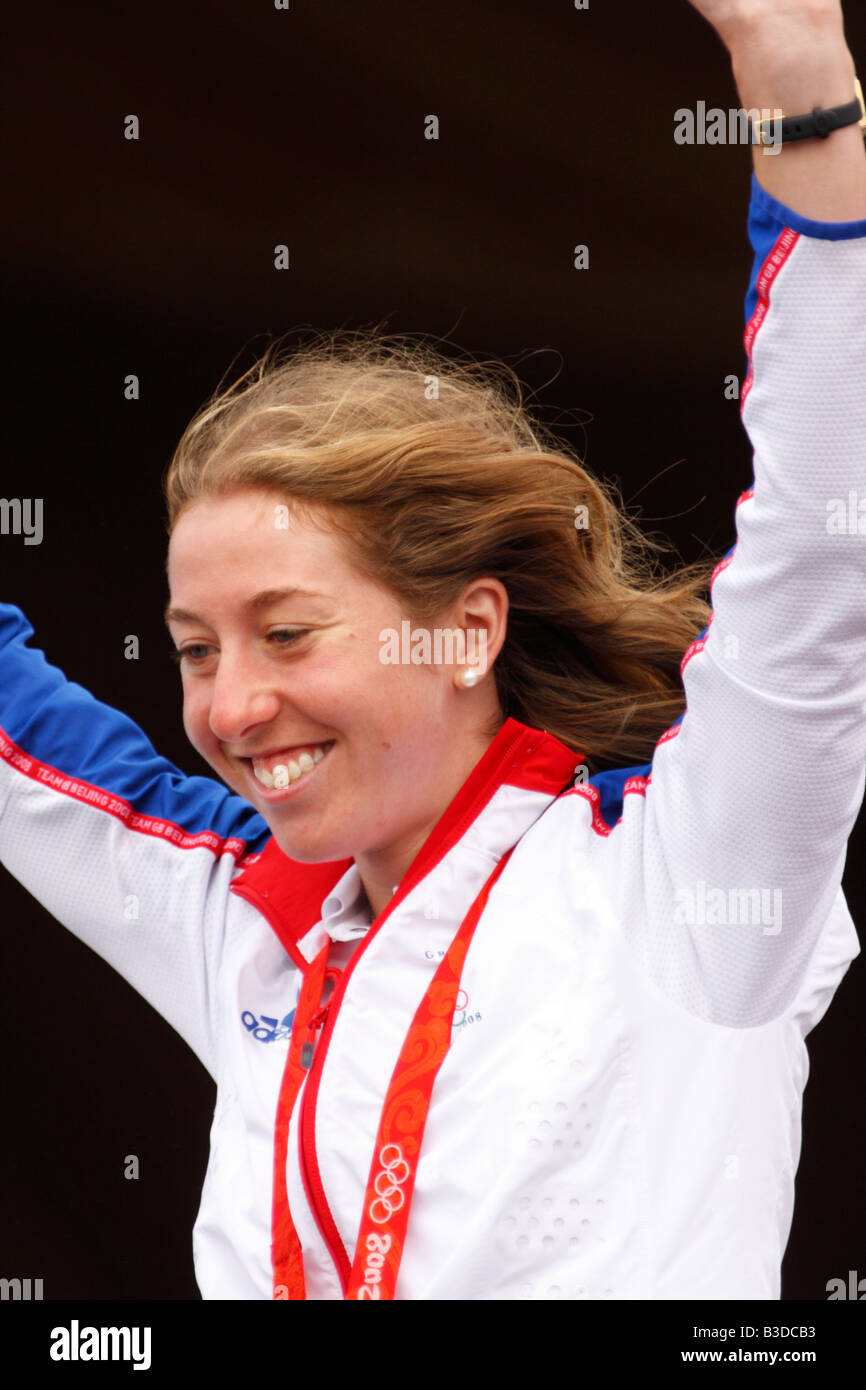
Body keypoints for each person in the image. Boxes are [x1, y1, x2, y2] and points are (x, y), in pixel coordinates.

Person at [2, 0, 866, 1300]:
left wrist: (792, 75)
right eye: (192, 648)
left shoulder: (683, 887)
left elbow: (819, 542)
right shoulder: (234, 913)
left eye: (285, 631)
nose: (233, 705)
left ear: (467, 627)